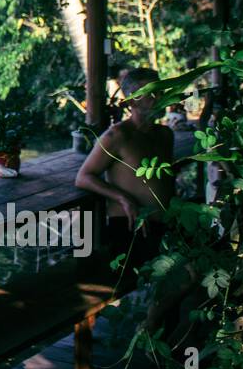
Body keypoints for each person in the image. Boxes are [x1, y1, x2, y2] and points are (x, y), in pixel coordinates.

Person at [74, 68, 175, 285]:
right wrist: (123, 198)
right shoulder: (117, 135)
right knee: (135, 292)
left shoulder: (166, 135)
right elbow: (83, 177)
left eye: (160, 91)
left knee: (168, 290)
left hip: (165, 225)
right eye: (151, 92)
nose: (158, 97)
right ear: (132, 101)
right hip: (131, 226)